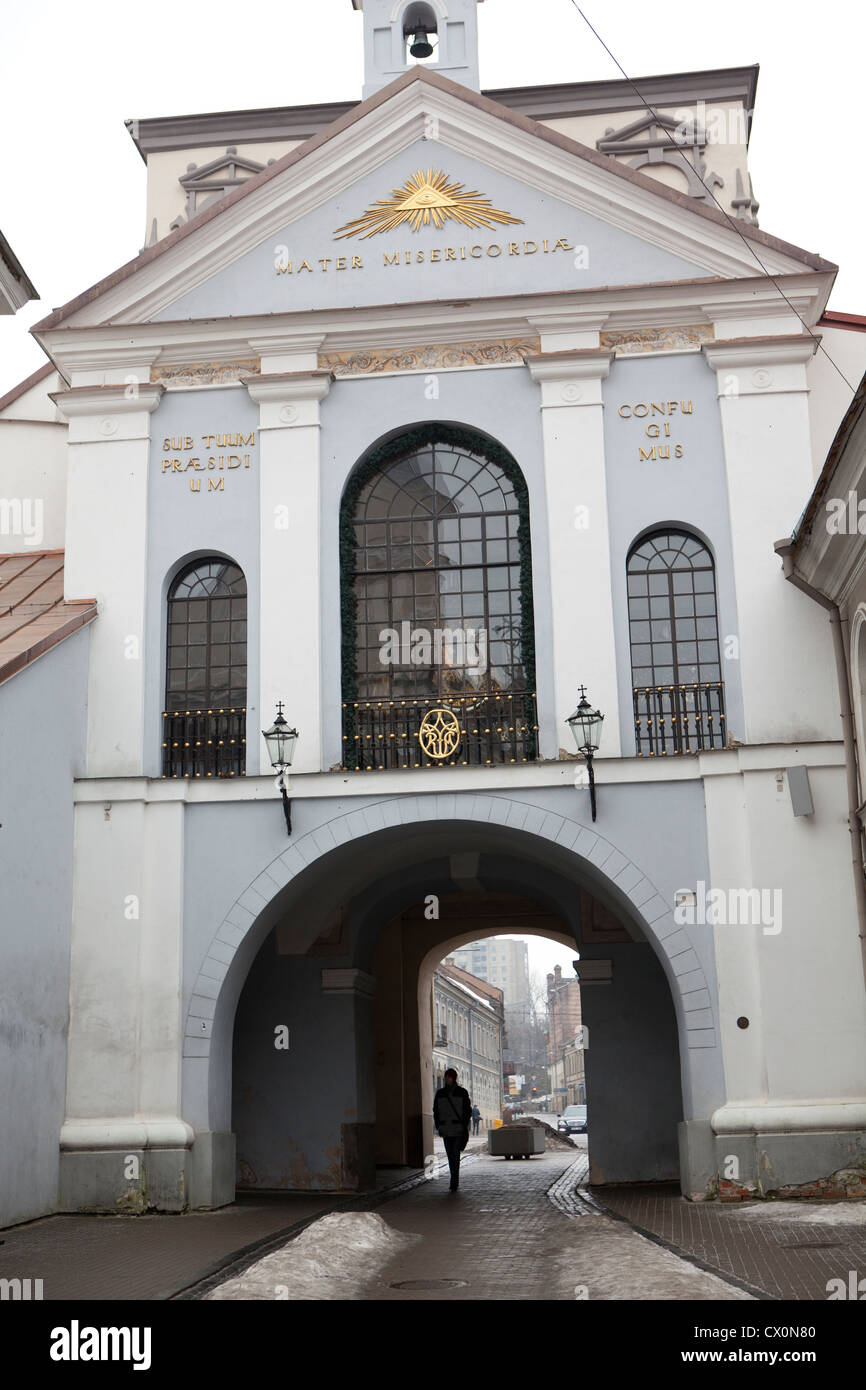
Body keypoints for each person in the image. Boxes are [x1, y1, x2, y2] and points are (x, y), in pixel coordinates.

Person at [433, 1068, 472, 1192]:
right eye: (446, 1077)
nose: (447, 1079)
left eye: (449, 1077)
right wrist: (438, 1125)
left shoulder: (462, 1092)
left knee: (455, 1154)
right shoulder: (440, 1093)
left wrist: (464, 1125)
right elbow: (436, 1111)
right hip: (445, 1129)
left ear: (454, 1078)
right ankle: (453, 1178)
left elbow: (467, 1110)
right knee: (450, 1155)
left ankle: (454, 1180)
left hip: (457, 1129)